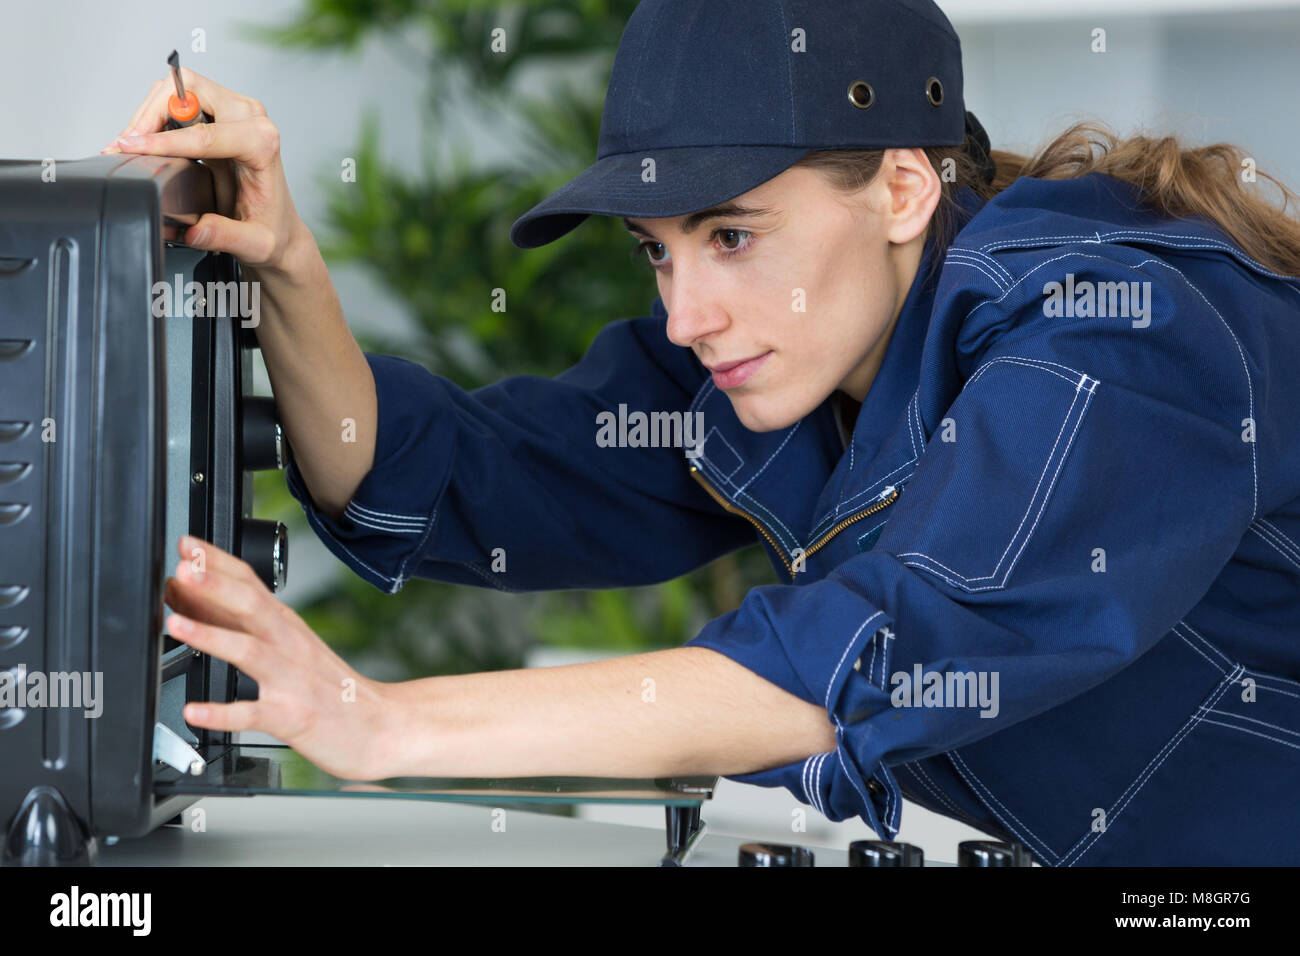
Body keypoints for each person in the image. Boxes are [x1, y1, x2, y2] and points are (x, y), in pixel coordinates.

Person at [104, 0, 1300, 865]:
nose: (684, 314)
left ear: (899, 187)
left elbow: (889, 642)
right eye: (658, 251)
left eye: (731, 236)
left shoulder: (1120, 333)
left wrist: (383, 721)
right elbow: (454, 480)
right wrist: (285, 267)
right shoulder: (787, 355)